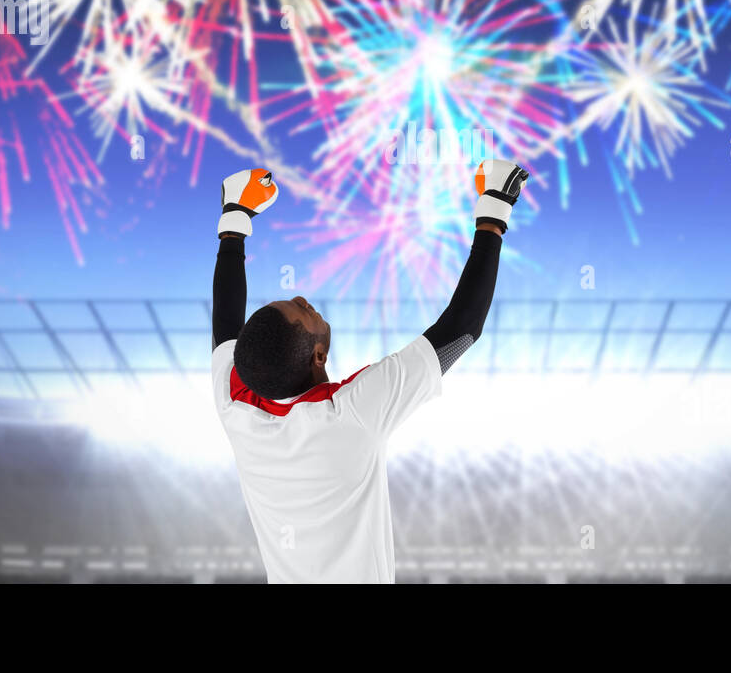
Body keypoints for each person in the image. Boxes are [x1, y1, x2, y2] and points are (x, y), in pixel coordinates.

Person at [209, 160, 529, 583]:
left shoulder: (239, 405)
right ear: (318, 357)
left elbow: (226, 326)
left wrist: (237, 215)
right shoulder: (348, 414)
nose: (305, 298)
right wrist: (495, 213)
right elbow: (460, 331)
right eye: (303, 311)